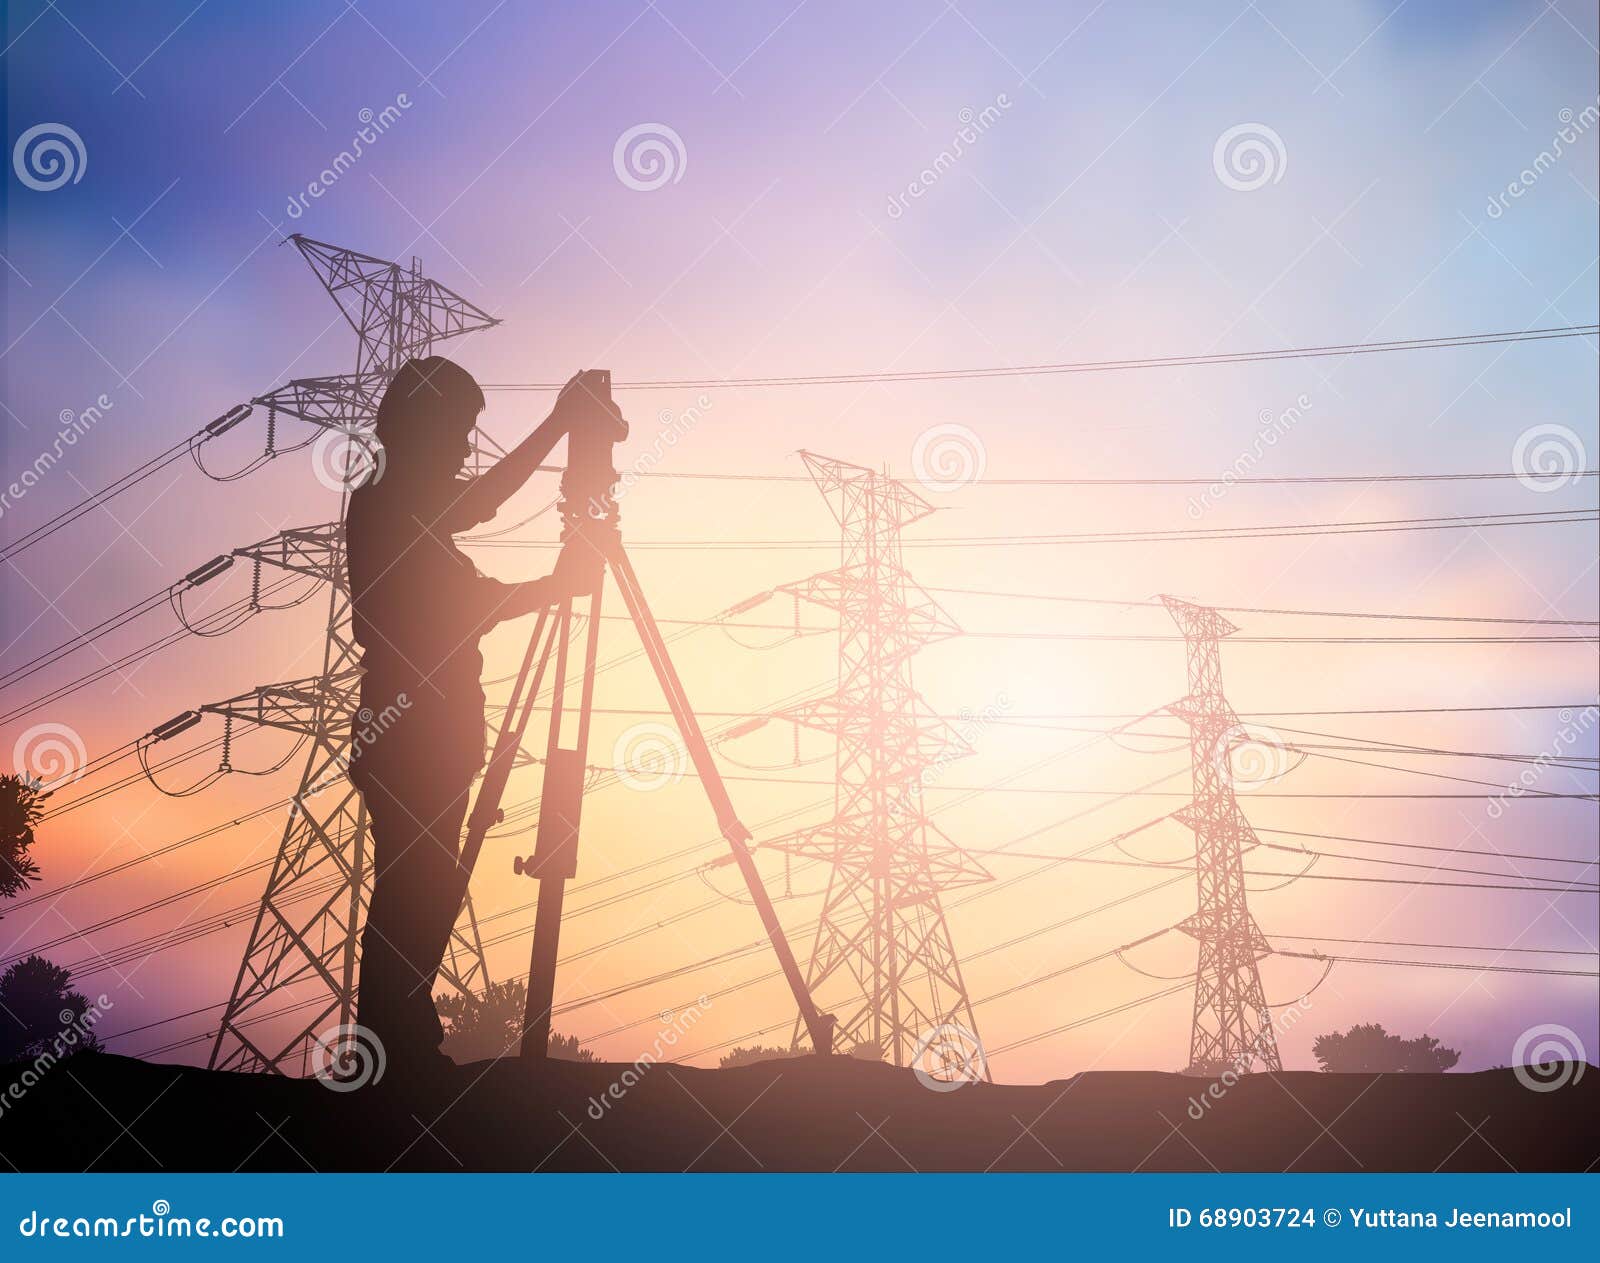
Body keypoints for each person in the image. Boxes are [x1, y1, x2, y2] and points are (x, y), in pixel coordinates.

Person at [345, 356, 592, 1075]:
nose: (463, 448)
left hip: (429, 735)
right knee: (415, 889)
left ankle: (399, 1043)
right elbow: (471, 564)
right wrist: (557, 425)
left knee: (422, 886)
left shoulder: (409, 518)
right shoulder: (389, 505)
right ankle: (392, 1051)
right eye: (458, 431)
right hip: (411, 735)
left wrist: (550, 585)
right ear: (422, 428)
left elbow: (470, 578)